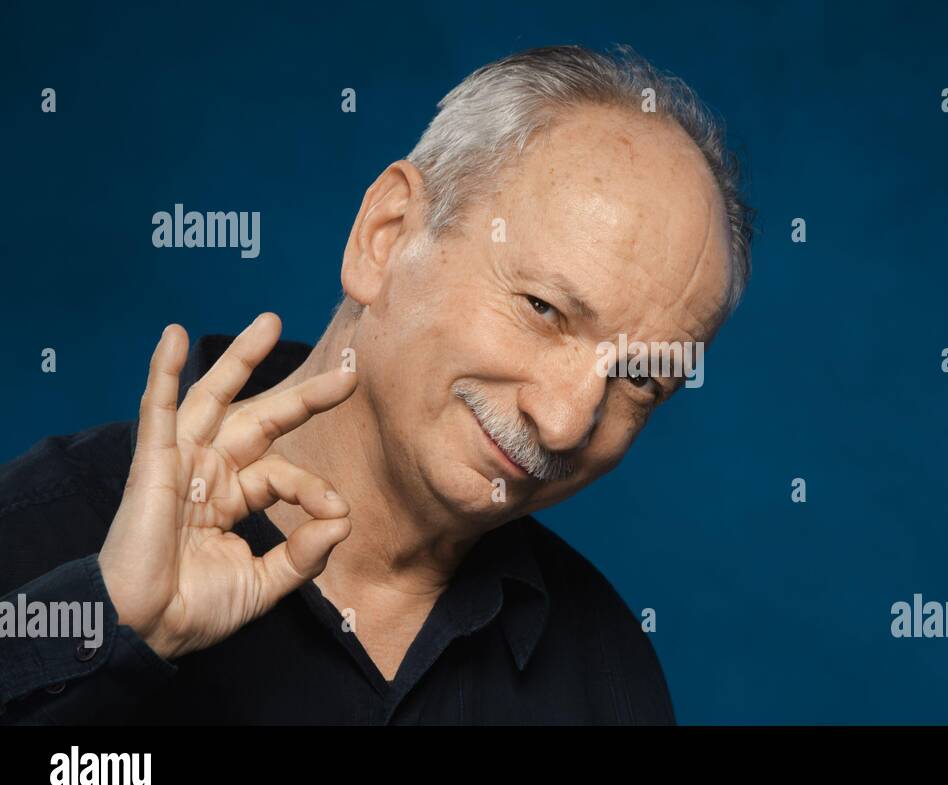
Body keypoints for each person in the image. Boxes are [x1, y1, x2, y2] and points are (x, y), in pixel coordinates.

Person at [0, 44, 753, 724]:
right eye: (544, 309)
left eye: (639, 379)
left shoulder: (607, 677)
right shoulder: (36, 535)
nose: (562, 422)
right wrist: (109, 626)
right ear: (386, 235)